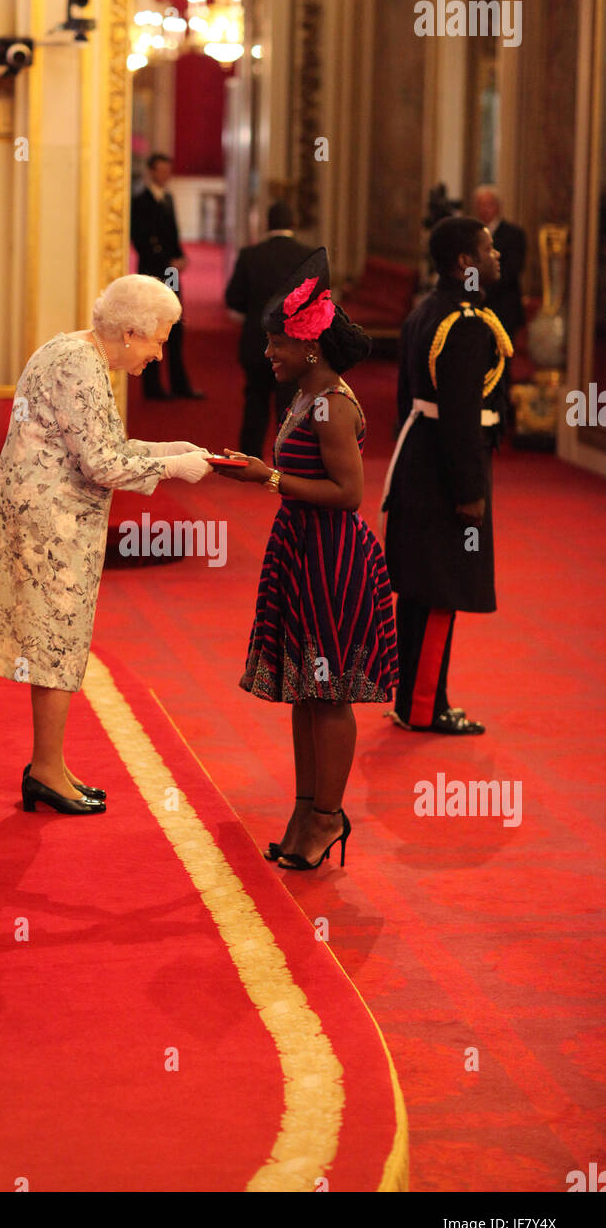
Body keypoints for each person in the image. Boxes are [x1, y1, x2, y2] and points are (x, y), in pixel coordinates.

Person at [0, 274, 212, 814]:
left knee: (55, 640)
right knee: (57, 641)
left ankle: (50, 765)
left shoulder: (78, 351)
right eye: (159, 338)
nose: (161, 353)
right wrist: (174, 467)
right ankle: (45, 771)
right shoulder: (81, 365)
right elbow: (102, 463)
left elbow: (102, 442)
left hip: (48, 516)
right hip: (49, 524)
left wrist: (168, 447)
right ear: (130, 332)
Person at [215, 249, 399, 872]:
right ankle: (305, 809)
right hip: (301, 547)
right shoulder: (305, 394)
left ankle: (327, 816)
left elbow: (350, 496)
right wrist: (260, 476)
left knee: (330, 691)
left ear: (309, 347)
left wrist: (268, 479)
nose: (268, 354)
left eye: (276, 346)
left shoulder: (333, 406)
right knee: (305, 690)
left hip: (331, 556)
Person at [382, 215, 513, 735]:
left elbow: (404, 399)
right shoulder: (466, 324)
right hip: (446, 469)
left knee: (418, 587)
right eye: (488, 249)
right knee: (442, 589)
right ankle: (423, 707)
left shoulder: (426, 312)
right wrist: (470, 491)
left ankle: (417, 699)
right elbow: (460, 415)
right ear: (465, 263)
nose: (496, 256)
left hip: (418, 456)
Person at [224, 201, 313, 456]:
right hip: (293, 345)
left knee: (255, 400)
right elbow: (316, 302)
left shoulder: (250, 255)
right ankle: (287, 458)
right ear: (293, 224)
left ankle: (248, 456)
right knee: (290, 405)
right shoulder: (307, 255)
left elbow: (233, 298)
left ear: (267, 224)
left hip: (256, 341)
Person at [130, 152, 204, 400]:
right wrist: (166, 260)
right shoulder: (140, 201)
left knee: (175, 325)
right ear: (151, 172)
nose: (165, 175)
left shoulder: (169, 198)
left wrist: (180, 257)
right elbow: (140, 241)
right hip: (152, 272)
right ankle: (153, 388)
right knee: (152, 328)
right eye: (160, 170)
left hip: (171, 272)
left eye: (167, 170)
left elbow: (173, 234)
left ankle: (179, 384)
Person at [472, 185, 527, 339]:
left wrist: (484, 289)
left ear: (497, 207)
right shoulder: (471, 234)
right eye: (481, 205)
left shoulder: (514, 234)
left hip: (504, 307)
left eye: (488, 204)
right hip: (477, 308)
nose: (484, 209)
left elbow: (512, 270)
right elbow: (469, 267)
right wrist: (472, 292)